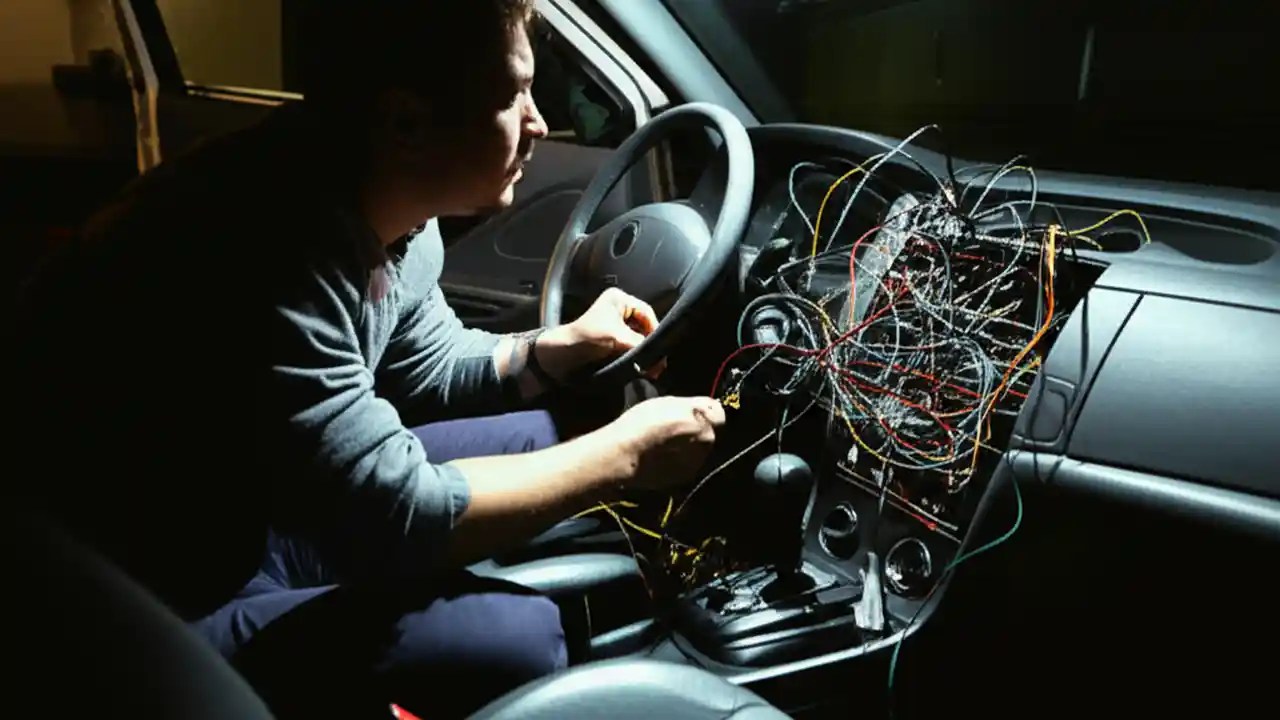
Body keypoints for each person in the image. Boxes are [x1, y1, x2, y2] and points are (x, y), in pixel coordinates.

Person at [11, 1, 725, 718]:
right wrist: (625, 457)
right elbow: (399, 514)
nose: (538, 122)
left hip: (244, 511)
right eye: (514, 94)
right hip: (131, 600)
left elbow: (426, 362)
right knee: (522, 637)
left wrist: (550, 351)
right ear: (406, 122)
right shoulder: (270, 251)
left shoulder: (389, 211)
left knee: (549, 427)